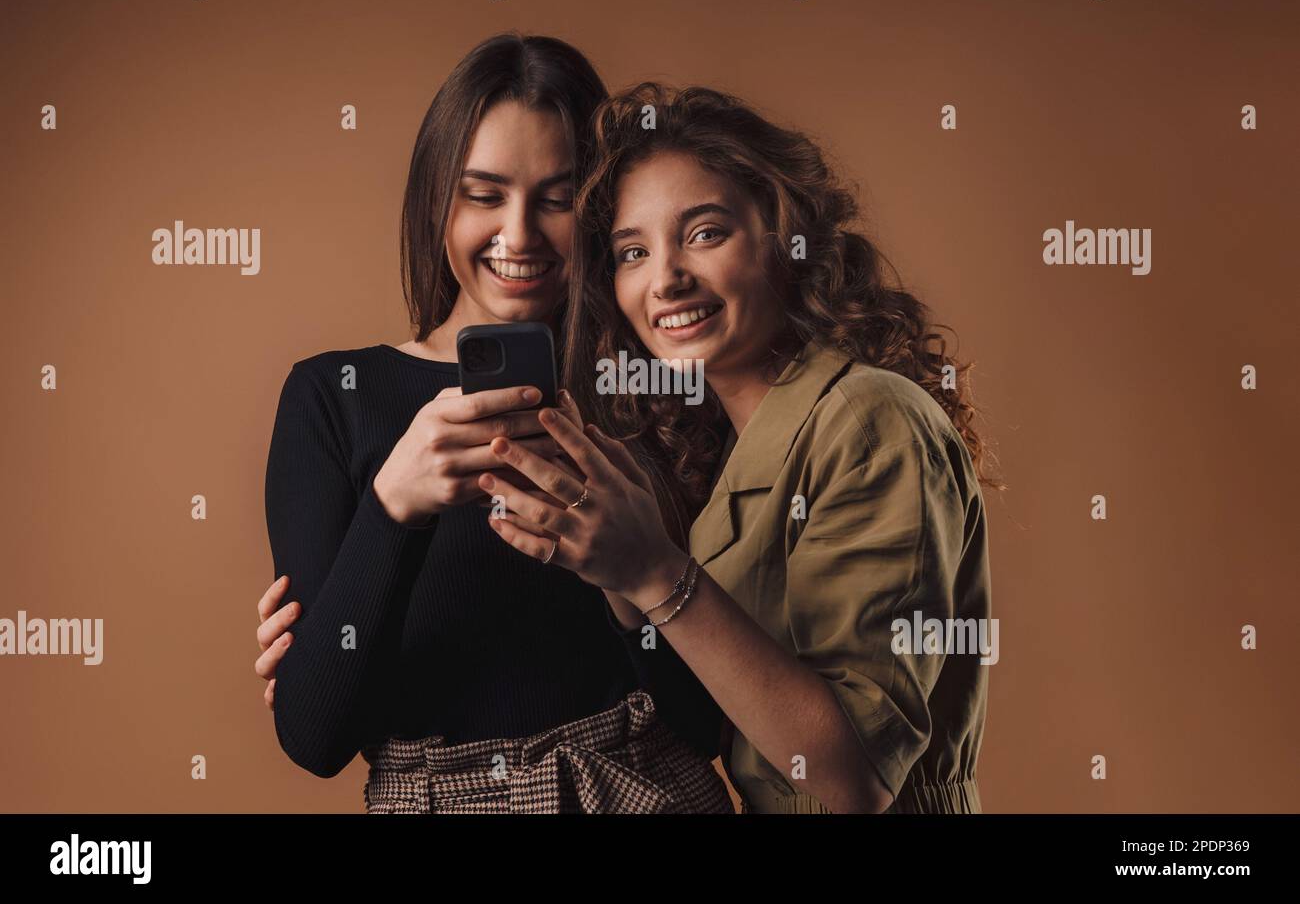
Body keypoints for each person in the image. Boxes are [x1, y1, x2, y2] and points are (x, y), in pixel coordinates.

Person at [479, 83, 1000, 813]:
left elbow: (856, 780)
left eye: (704, 233)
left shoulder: (869, 418)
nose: (666, 279)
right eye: (633, 251)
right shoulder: (735, 453)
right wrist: (614, 568)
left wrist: (653, 568)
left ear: (785, 239)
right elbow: (718, 704)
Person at [258, 41, 731, 813]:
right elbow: (315, 738)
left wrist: (625, 570)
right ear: (435, 199)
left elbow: (705, 723)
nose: (520, 235)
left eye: (557, 197)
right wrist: (392, 508)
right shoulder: (332, 397)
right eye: (484, 195)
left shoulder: (651, 384)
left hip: (637, 785)